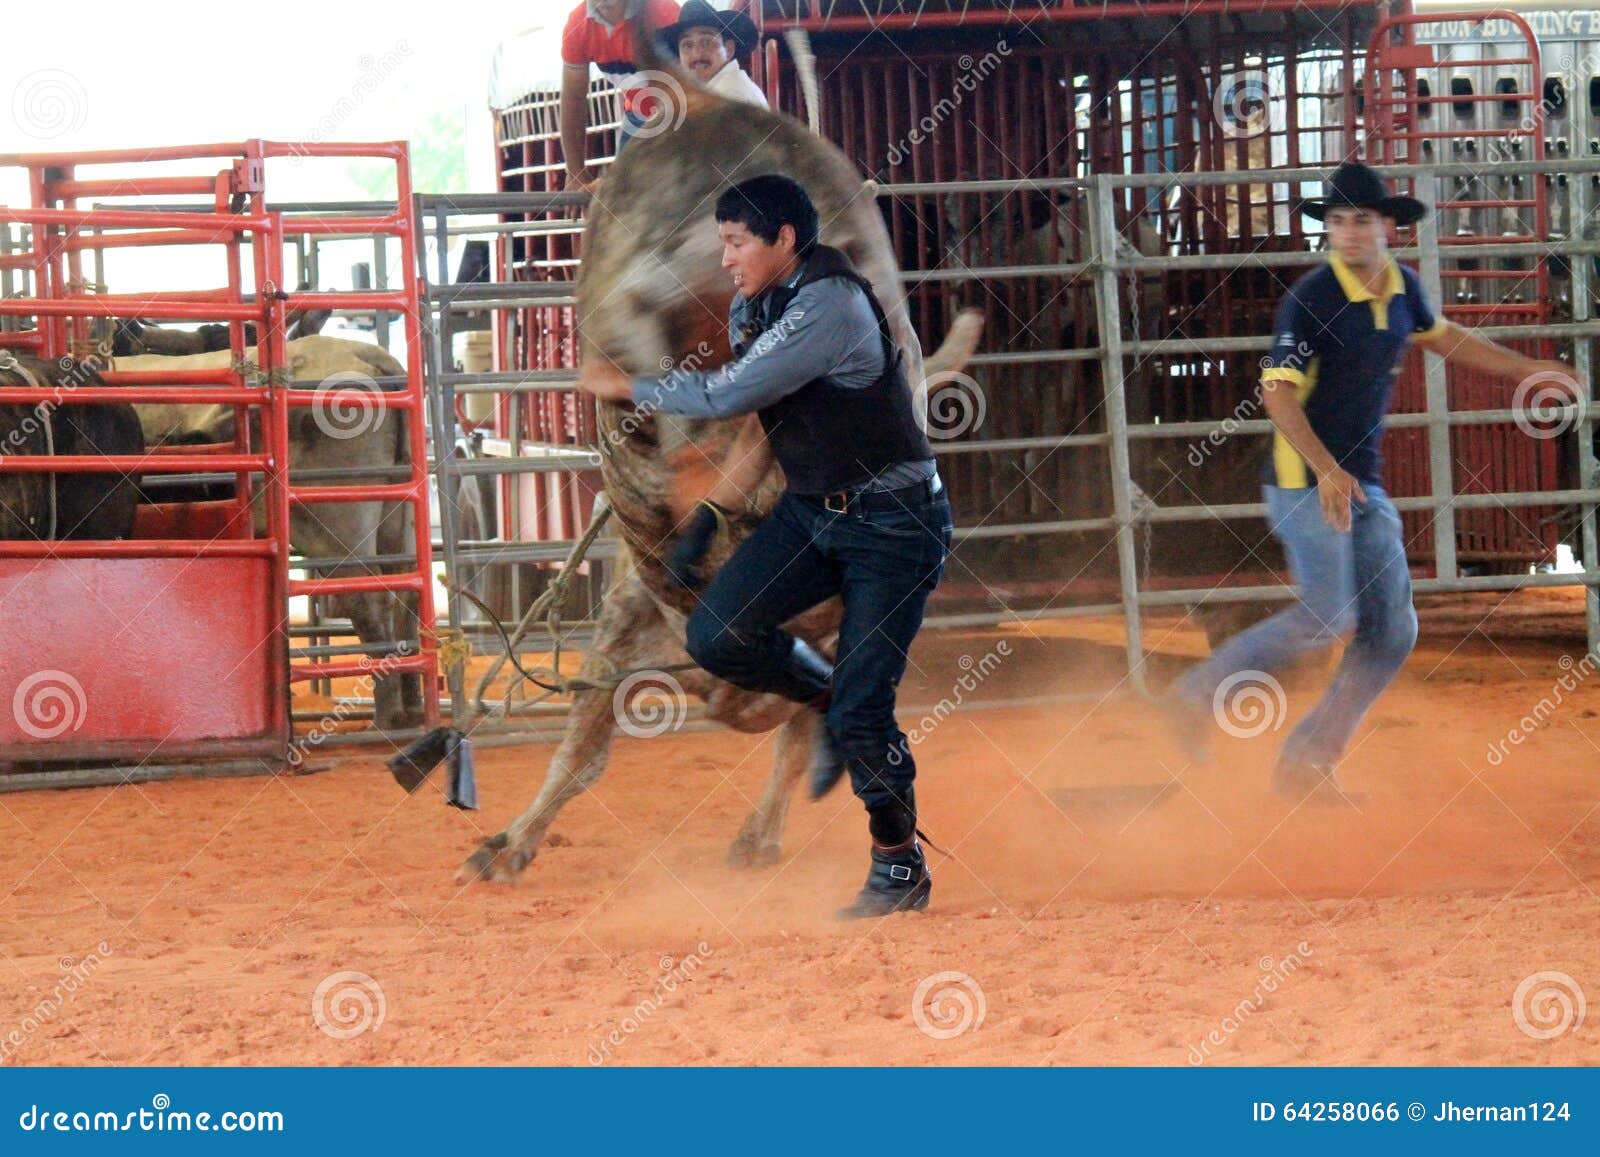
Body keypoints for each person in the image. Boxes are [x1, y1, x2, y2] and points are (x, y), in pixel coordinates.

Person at [577, 174, 953, 919]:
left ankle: (899, 863)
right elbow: (764, 424)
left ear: (785, 239)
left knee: (865, 716)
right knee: (718, 634)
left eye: (737, 241)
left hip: (893, 525)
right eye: (723, 241)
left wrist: (628, 386)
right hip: (816, 512)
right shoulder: (759, 303)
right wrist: (712, 514)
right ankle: (823, 694)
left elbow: (727, 396)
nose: (726, 258)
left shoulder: (830, 305)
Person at [1163, 160, 1582, 804]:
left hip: (1361, 483)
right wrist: (1327, 471)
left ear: (1389, 226)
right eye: (1336, 222)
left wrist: (1526, 368)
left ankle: (1307, 762)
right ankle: (1194, 696)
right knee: (1328, 615)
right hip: (1303, 481)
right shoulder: (1312, 299)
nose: (1349, 233)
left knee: (1392, 631)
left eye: (1361, 220)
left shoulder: (1402, 287)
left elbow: (1445, 338)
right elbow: (1276, 397)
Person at [560, 0, 682, 193]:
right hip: (638, 113)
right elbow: (573, 99)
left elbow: (684, 93)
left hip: (679, 113)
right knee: (626, 200)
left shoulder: (663, 12)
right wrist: (575, 172)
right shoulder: (578, 24)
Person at [664, 0, 767, 108]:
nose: (696, 54)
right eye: (687, 46)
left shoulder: (731, 94)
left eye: (706, 42)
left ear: (728, 49)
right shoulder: (710, 91)